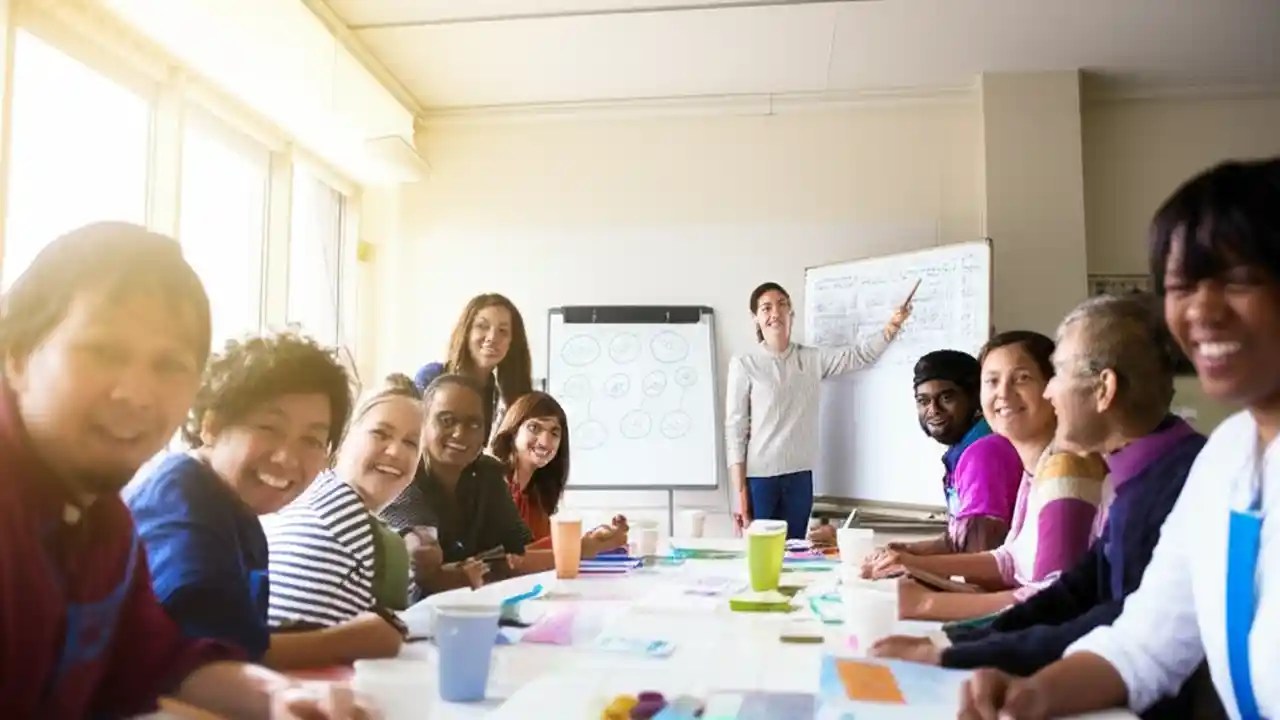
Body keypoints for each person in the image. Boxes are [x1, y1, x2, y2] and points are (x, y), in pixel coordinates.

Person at [0, 222, 371, 719]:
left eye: (169, 365)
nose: (135, 393)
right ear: (16, 356)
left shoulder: (102, 521)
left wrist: (278, 697)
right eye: (102, 352)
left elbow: (156, 659)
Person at [957, 158, 1280, 720]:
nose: (1201, 309)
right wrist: (1032, 693)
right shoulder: (1228, 456)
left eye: (1236, 279)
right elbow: (1144, 642)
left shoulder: (1171, 468)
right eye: (1181, 286)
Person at [872, 296, 1214, 718]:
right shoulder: (1136, 472)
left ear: (1104, 389)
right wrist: (956, 646)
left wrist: (952, 649)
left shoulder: (1180, 482)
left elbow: (1117, 619)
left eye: (1060, 372)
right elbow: (1079, 587)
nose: (1050, 391)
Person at [126, 332, 404, 671]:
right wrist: (349, 639)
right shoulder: (182, 512)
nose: (287, 458)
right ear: (211, 426)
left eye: (312, 440)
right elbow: (209, 658)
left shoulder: (227, 500)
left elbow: (239, 632)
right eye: (269, 427)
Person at [866, 332, 1108, 621]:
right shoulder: (1041, 466)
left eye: (1021, 378)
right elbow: (1008, 559)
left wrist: (926, 603)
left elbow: (1055, 601)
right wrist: (915, 564)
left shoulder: (1067, 468)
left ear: (1053, 388)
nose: (1003, 393)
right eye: (992, 381)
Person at [727, 281, 912, 539]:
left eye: (782, 304)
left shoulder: (812, 359)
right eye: (766, 308)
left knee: (794, 554)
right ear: (756, 318)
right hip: (760, 479)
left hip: (800, 477)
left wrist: (892, 327)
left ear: (791, 312)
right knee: (759, 556)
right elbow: (735, 430)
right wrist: (740, 494)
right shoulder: (745, 363)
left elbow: (860, 356)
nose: (775, 313)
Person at [266, 373, 438, 629]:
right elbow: (392, 644)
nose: (395, 452)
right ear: (343, 438)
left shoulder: (295, 497)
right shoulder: (384, 548)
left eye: (411, 443)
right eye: (381, 434)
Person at [812, 350, 1024, 552]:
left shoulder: (983, 454)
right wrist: (860, 548)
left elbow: (979, 560)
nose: (933, 410)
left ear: (975, 398)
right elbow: (957, 542)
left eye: (946, 398)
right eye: (923, 401)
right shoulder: (965, 451)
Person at [380, 374, 532, 595]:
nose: (460, 433)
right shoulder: (403, 476)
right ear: (422, 423)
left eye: (473, 424)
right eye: (447, 420)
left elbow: (521, 550)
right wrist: (486, 567)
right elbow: (425, 569)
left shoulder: (488, 474)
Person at [489, 391, 629, 570]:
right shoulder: (494, 484)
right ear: (513, 431)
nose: (545, 442)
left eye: (554, 433)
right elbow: (506, 563)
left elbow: (543, 552)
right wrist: (581, 547)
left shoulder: (535, 496)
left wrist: (596, 539)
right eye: (534, 428)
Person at [414, 293, 533, 441]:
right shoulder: (431, 376)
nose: (492, 337)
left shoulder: (502, 399)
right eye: (482, 326)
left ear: (512, 343)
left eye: (502, 331)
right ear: (466, 332)